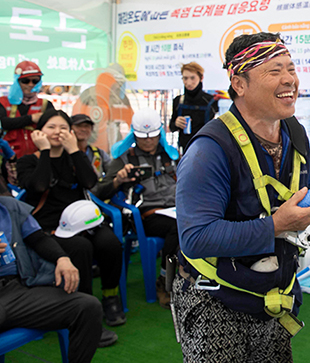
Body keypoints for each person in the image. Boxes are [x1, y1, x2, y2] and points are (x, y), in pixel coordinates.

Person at [173, 33, 310, 362]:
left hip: (275, 297)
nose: (289, 79)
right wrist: (276, 225)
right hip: (215, 302)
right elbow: (195, 238)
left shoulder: (295, 131)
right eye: (274, 71)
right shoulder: (209, 150)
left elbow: (306, 187)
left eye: (291, 68)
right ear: (239, 84)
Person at [16, 109, 126, 337]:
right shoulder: (28, 161)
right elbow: (38, 186)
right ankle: (86, 313)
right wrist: (45, 151)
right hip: (49, 229)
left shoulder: (74, 157)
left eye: (63, 128)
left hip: (82, 222)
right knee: (80, 249)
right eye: (51, 127)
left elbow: (90, 182)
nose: (58, 132)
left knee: (110, 243)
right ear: (40, 132)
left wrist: (74, 150)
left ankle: (110, 296)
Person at [0, 187, 106, 360]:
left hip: (15, 290)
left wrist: (62, 258)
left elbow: (38, 238)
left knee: (87, 307)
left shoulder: (10, 207)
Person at [96, 108, 179, 309]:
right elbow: (99, 191)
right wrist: (119, 180)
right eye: (143, 138)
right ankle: (165, 282)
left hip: (178, 209)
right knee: (178, 229)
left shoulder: (171, 155)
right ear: (134, 134)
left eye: (152, 137)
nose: (148, 142)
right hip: (147, 215)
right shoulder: (124, 159)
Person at [0, 61, 55, 163]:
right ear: (17, 81)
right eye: (25, 81)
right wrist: (31, 119)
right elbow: (3, 123)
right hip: (8, 159)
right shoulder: (3, 102)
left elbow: (55, 127)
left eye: (35, 81)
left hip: (36, 159)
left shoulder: (45, 104)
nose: (30, 84)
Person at [170, 62, 218, 153]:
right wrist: (176, 123)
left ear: (201, 78)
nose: (188, 83)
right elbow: (171, 127)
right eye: (185, 78)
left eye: (192, 78)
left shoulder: (211, 101)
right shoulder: (178, 100)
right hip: (185, 150)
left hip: (206, 149)